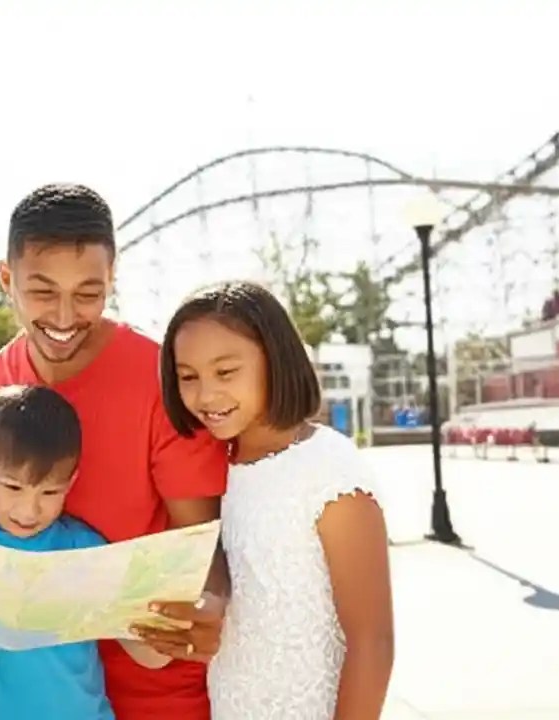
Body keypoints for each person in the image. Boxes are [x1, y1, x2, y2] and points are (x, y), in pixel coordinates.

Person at [0, 183, 229, 720]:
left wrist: (212, 603)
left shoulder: (160, 381)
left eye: (88, 292)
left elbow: (201, 547)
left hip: (157, 691)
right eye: (42, 292)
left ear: (113, 277)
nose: (65, 315)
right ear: (6, 279)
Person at [156, 280, 395, 720]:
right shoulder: (215, 469)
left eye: (226, 372)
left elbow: (373, 641)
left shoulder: (330, 470)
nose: (206, 395)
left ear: (275, 359)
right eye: (188, 377)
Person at [0, 384, 170, 720]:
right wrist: (16, 588)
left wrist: (165, 627)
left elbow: (150, 655)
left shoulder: (84, 549)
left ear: (71, 482)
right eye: (13, 487)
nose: (29, 510)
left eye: (50, 492)